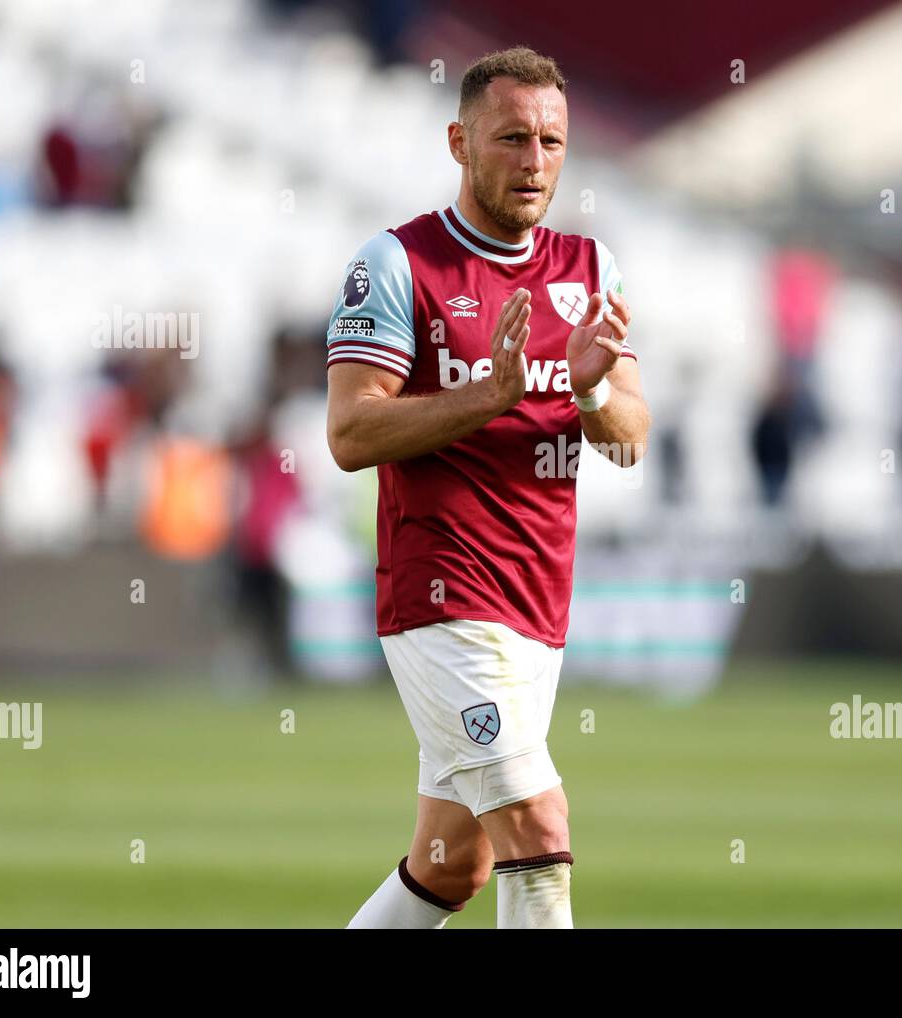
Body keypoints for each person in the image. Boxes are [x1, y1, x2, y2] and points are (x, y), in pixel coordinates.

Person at [325, 47, 650, 928]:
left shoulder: (591, 269)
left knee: (451, 863)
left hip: (537, 608)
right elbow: (349, 433)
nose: (534, 160)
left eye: (552, 141)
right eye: (511, 138)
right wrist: (487, 396)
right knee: (539, 830)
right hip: (442, 600)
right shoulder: (399, 263)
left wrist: (589, 391)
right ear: (459, 142)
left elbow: (630, 440)